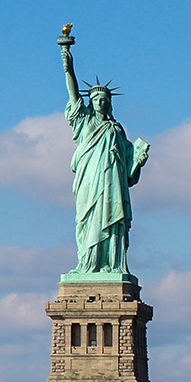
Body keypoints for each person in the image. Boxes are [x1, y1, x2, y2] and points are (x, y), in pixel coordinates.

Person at [60, 36, 149, 274]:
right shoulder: (84, 121)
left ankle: (112, 264)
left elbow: (130, 173)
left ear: (109, 104)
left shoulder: (116, 129)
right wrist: (68, 66)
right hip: (89, 181)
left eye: (103, 99)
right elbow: (72, 93)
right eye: (95, 99)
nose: (99, 102)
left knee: (112, 219)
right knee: (87, 220)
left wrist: (138, 162)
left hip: (112, 183)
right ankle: (87, 264)